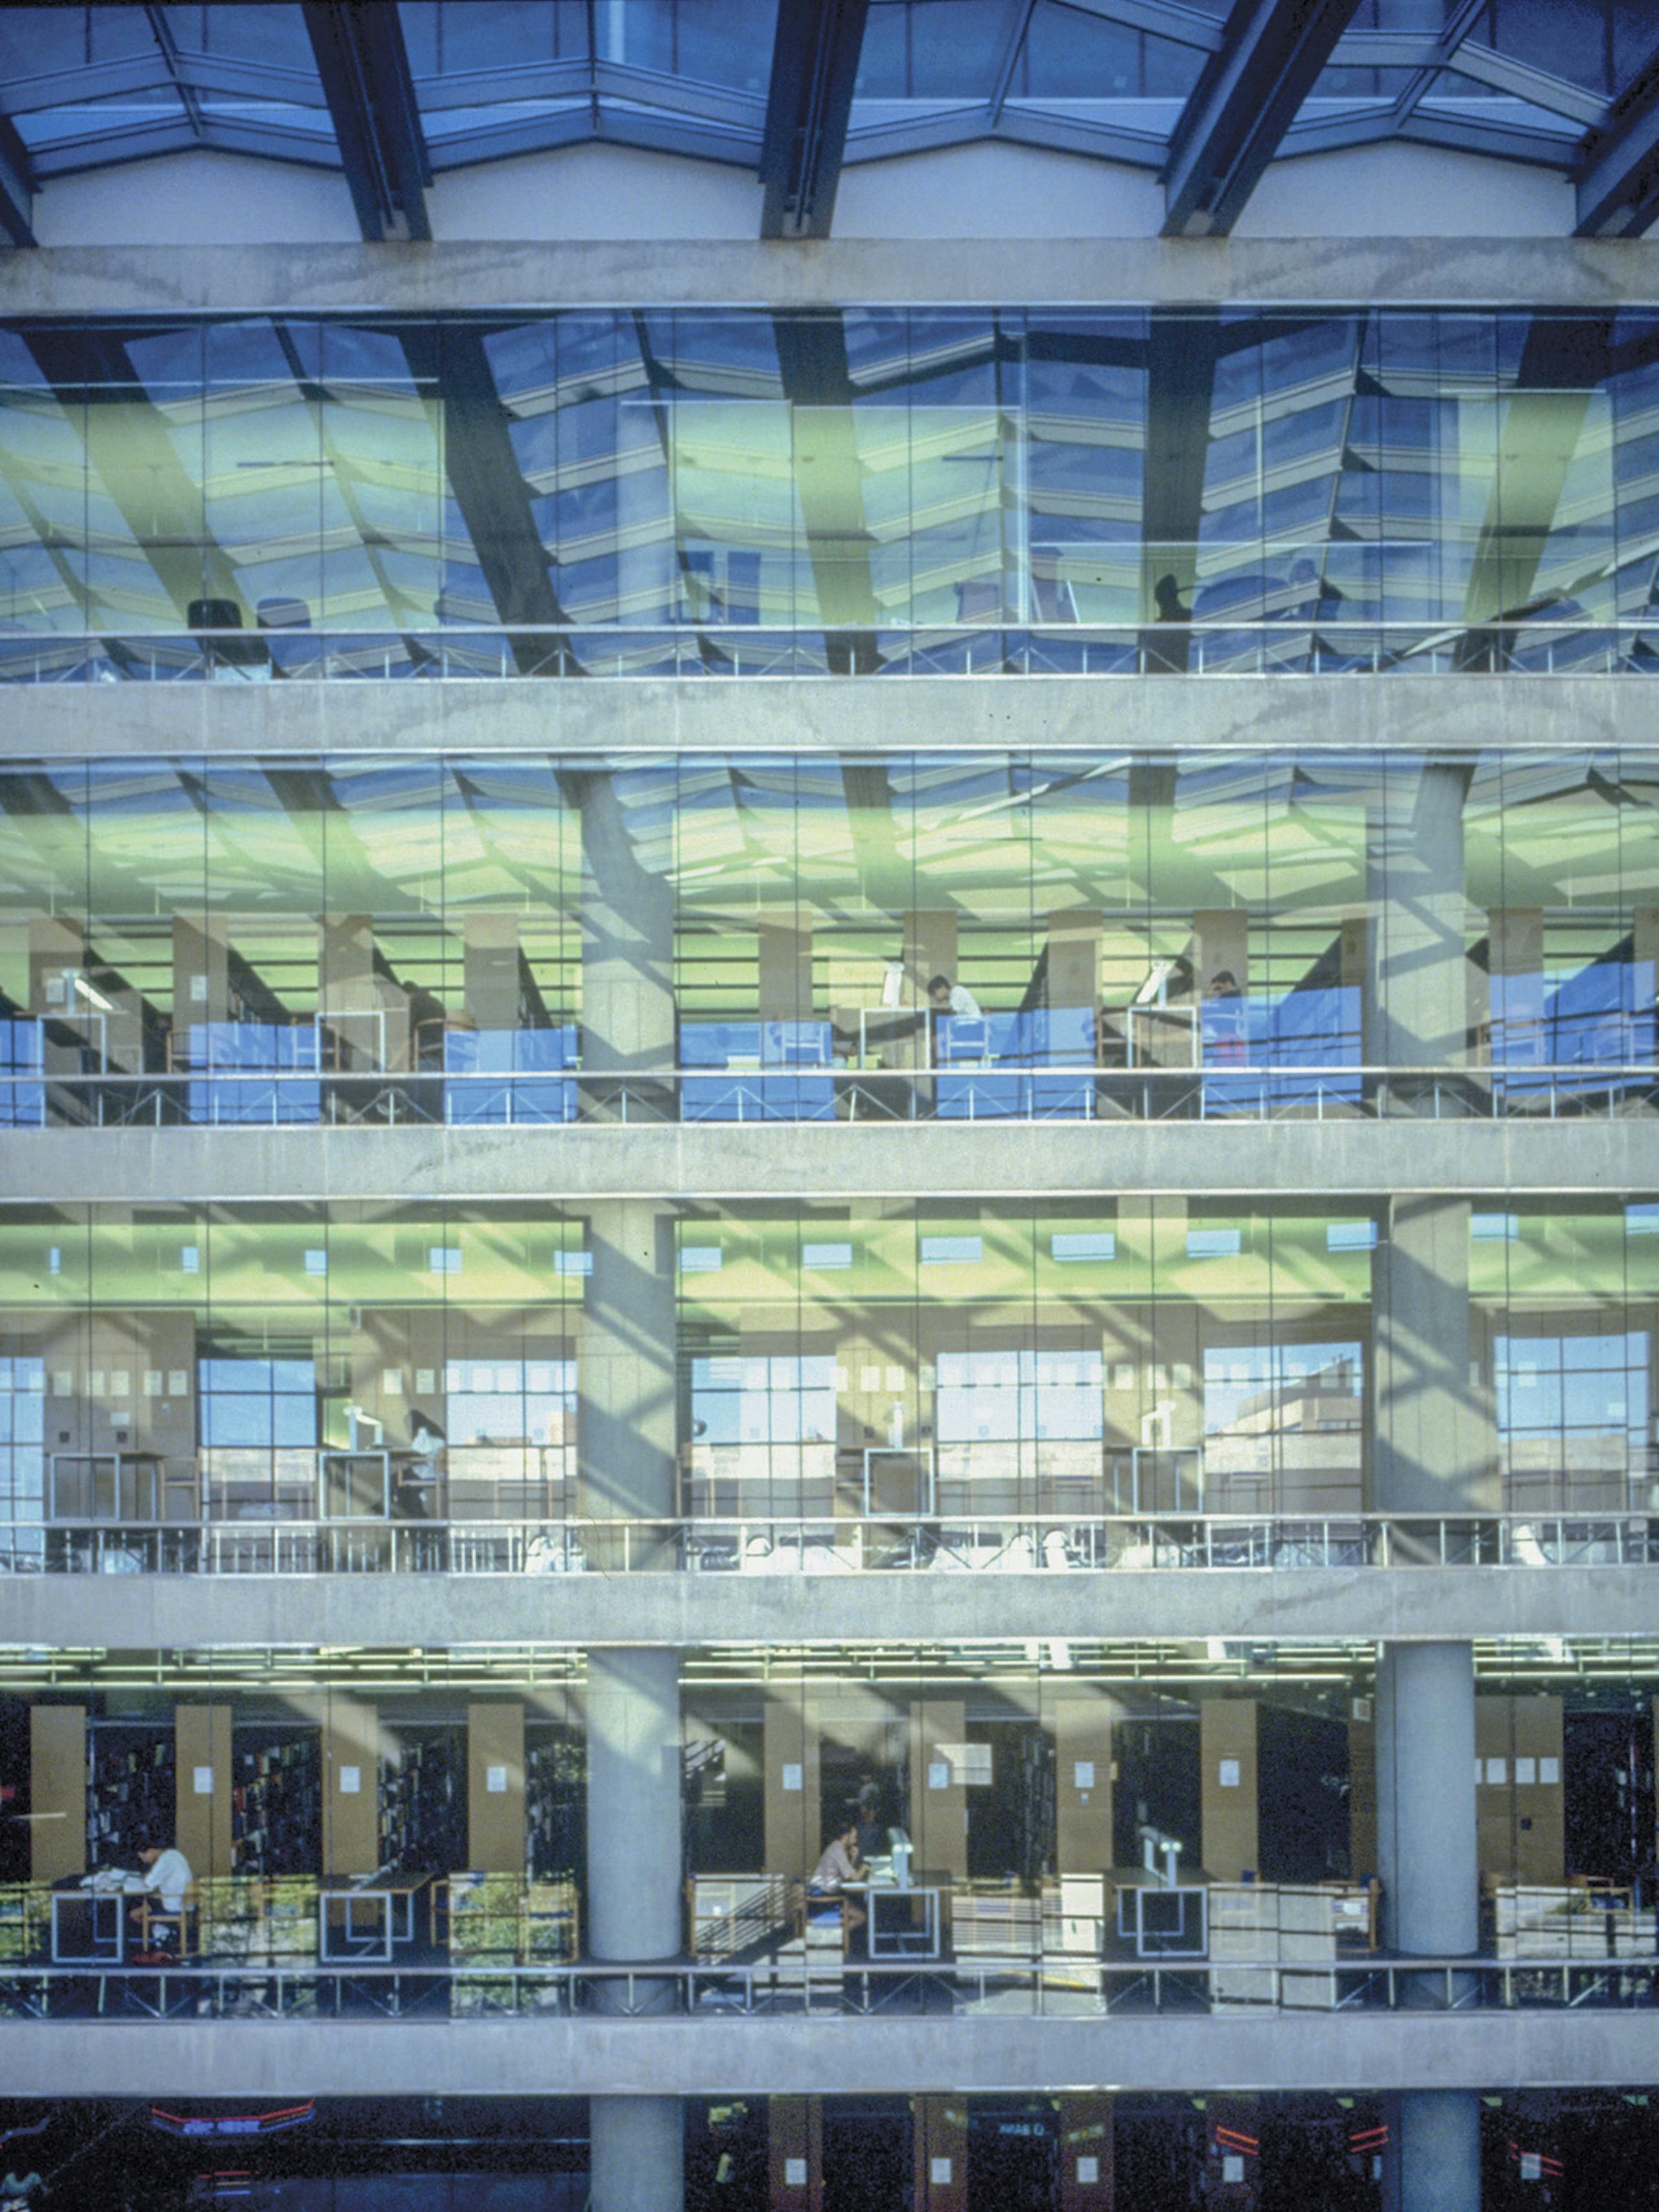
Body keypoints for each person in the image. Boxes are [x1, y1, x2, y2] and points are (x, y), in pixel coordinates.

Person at [809, 1820, 866, 1938]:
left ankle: (834, 1939)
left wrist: (853, 1858)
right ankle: (832, 1939)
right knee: (860, 1917)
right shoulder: (837, 1851)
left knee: (857, 1905)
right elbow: (854, 1878)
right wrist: (866, 1867)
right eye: (854, 1836)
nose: (856, 1840)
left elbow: (847, 1876)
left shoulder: (837, 1848)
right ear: (847, 1835)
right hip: (823, 1899)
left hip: (825, 1895)